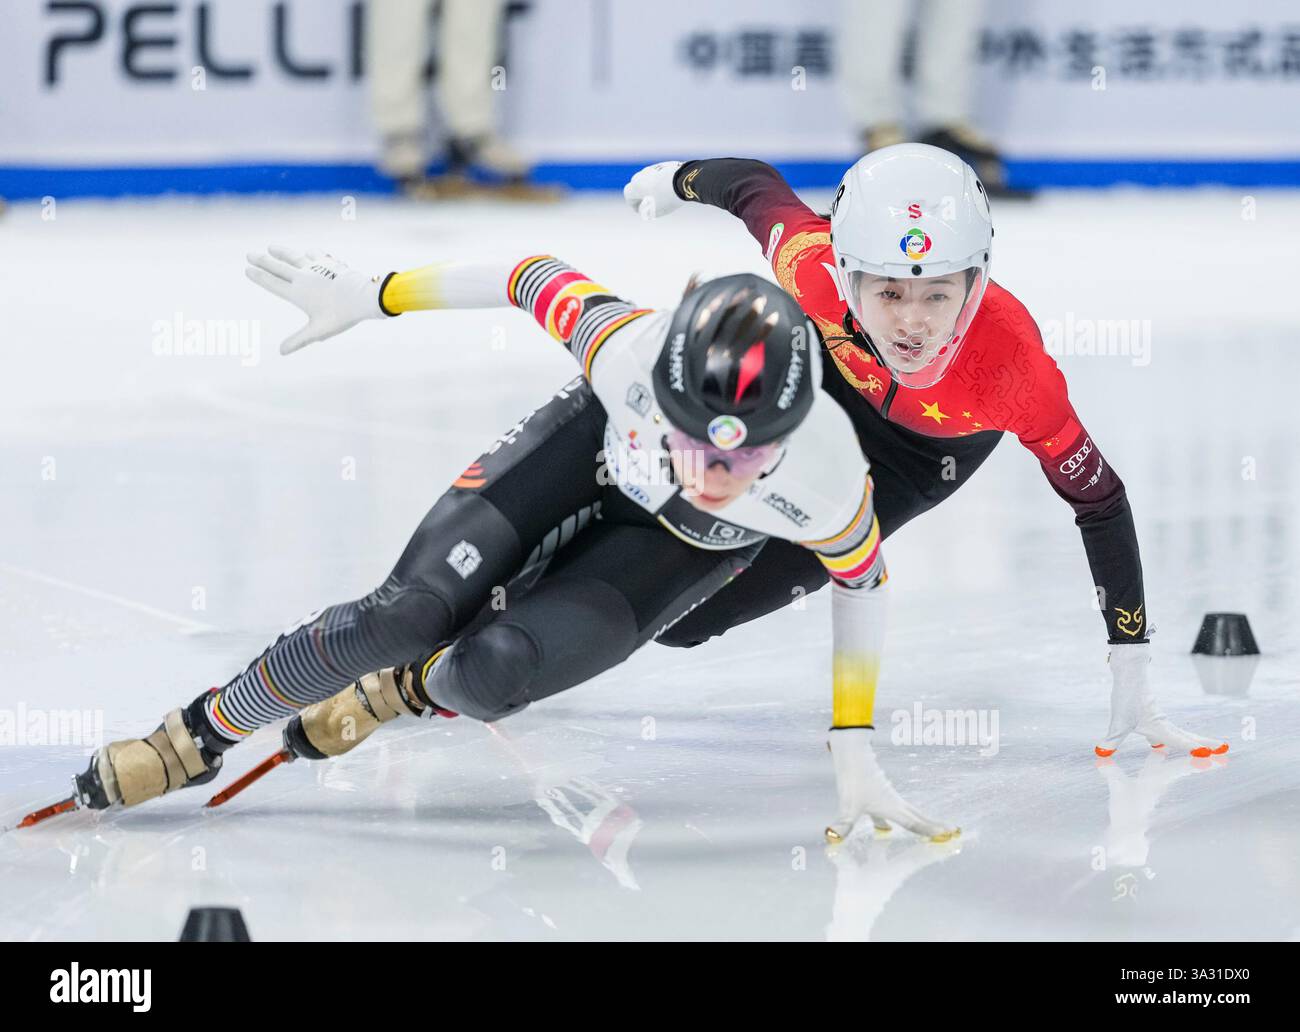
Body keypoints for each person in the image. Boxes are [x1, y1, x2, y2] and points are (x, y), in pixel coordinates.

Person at [48, 246, 957, 843]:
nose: (712, 474)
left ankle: (405, 694)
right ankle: (201, 730)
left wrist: (853, 743)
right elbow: (527, 273)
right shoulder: (626, 348)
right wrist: (370, 296)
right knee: (407, 613)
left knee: (494, 671)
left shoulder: (831, 478)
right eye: (690, 433)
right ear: (660, 388)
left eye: (749, 454)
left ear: (795, 429)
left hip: (678, 551)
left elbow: (864, 588)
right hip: (586, 456)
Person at [623, 145, 1227, 761]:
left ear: (975, 282)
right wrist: (678, 180)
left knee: (685, 618)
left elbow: (1100, 503)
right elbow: (750, 186)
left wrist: (1132, 669)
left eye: (937, 296)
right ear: (847, 273)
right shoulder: (812, 268)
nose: (912, 325)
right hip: (820, 394)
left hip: (913, 464)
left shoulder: (1016, 375)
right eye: (889, 294)